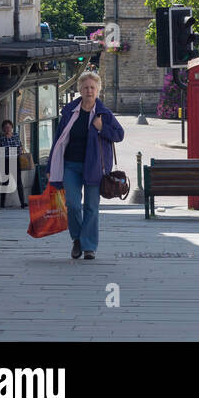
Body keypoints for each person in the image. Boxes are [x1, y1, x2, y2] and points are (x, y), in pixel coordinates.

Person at [48, 69, 124, 260]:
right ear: (79, 90)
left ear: (98, 90)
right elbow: (58, 141)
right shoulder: (69, 112)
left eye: (92, 87)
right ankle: (77, 240)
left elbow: (119, 135)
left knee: (91, 207)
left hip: (95, 168)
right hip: (71, 165)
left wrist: (102, 128)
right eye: (85, 87)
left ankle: (89, 246)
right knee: (73, 205)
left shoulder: (104, 114)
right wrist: (50, 167)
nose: (89, 91)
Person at [0, 120, 27, 208]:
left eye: (9, 127)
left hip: (15, 160)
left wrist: (19, 153)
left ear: (12, 128)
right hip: (5, 160)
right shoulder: (0, 138)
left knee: (19, 181)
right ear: (3, 129)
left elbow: (19, 146)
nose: (7, 129)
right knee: (5, 182)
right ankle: (2, 204)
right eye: (5, 128)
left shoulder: (16, 135)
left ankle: (22, 203)